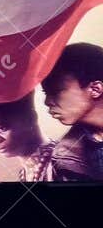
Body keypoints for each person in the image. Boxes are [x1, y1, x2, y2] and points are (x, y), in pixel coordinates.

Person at [40, 41, 103, 179]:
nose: (47, 102)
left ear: (95, 89)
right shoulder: (64, 158)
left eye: (56, 90)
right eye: (46, 92)